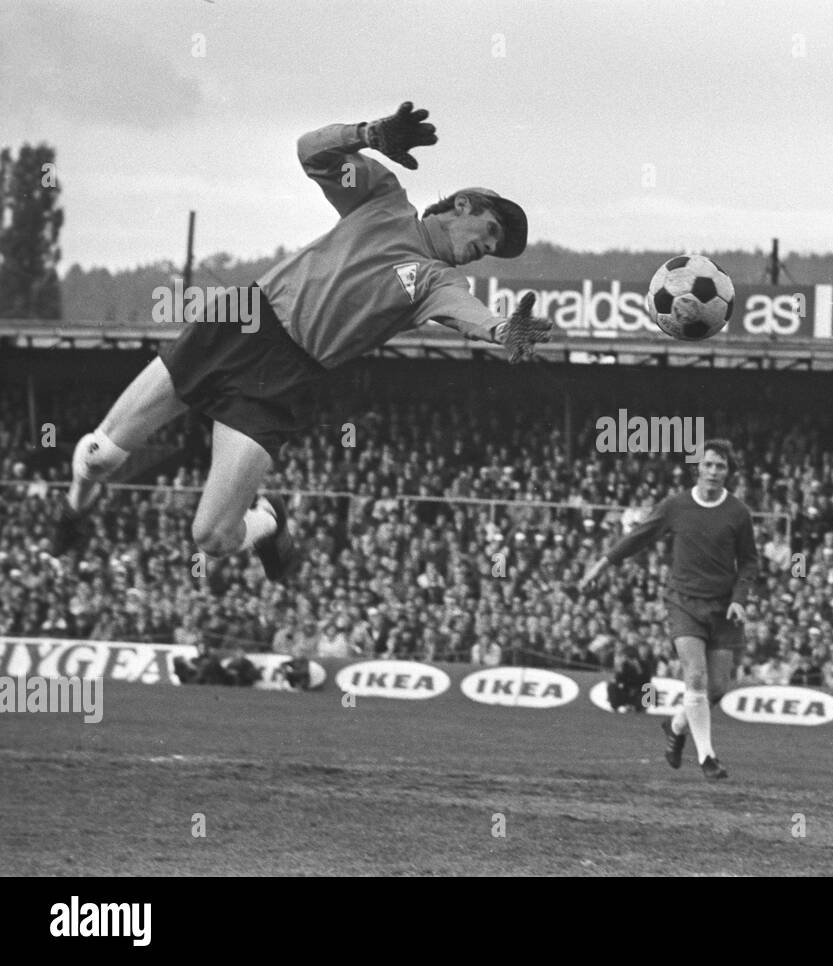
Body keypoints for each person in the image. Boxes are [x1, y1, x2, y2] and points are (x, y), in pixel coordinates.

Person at [53, 102, 552, 584]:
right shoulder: (383, 200)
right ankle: (73, 512)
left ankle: (267, 522)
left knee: (211, 537)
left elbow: (472, 316)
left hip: (282, 375)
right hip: (239, 322)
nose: (485, 249)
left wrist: (504, 330)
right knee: (100, 457)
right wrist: (369, 134)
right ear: (463, 204)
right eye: (489, 231)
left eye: (492, 249)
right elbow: (312, 152)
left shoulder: (437, 283)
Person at [579, 440, 758, 780]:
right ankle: (707, 758)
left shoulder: (738, 513)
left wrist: (739, 598)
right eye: (708, 465)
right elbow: (639, 536)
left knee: (718, 688)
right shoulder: (676, 506)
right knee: (695, 677)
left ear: (728, 472)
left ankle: (675, 728)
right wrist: (601, 566)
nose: (714, 472)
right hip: (684, 602)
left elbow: (749, 561)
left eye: (721, 467)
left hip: (723, 609)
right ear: (698, 468)